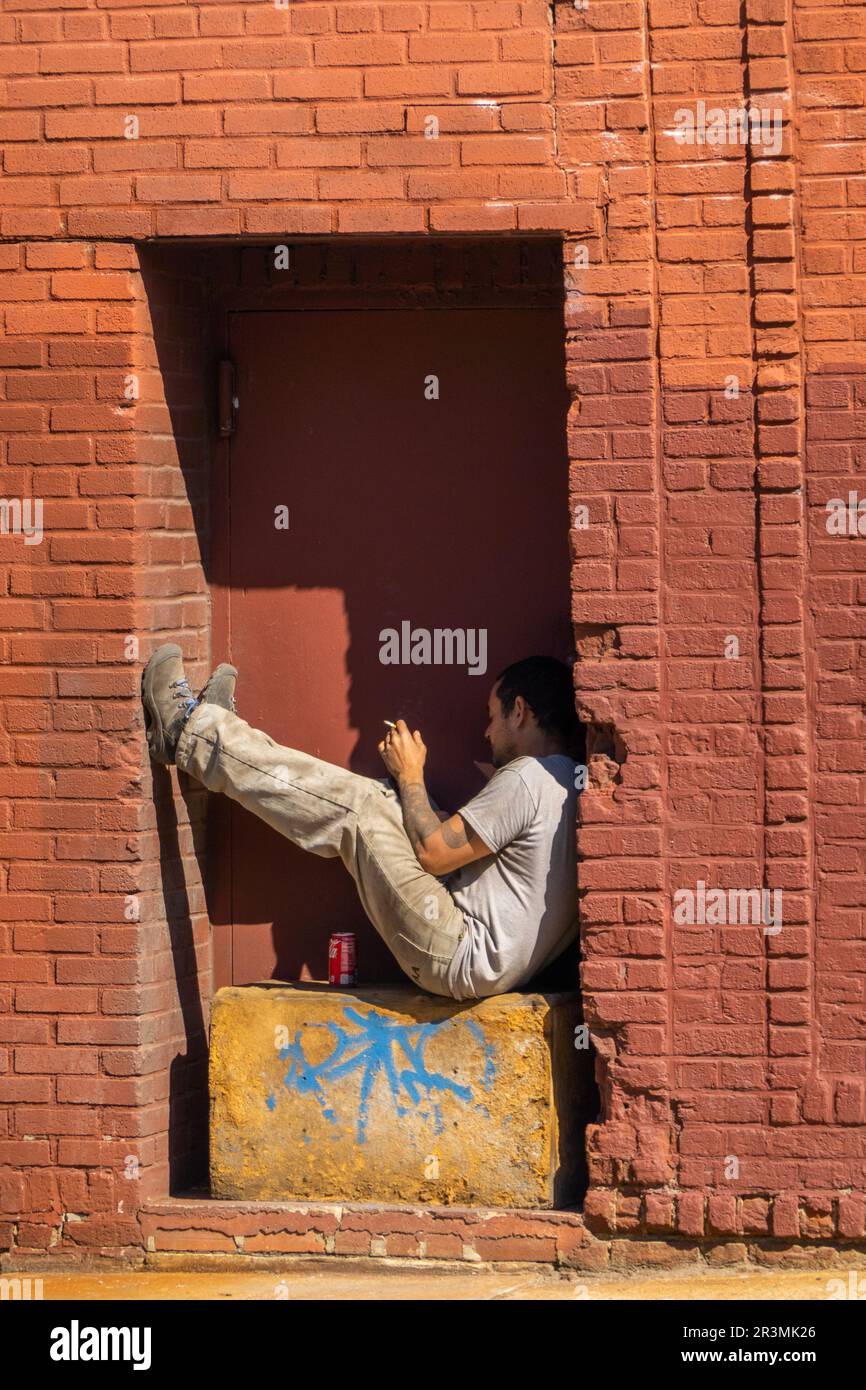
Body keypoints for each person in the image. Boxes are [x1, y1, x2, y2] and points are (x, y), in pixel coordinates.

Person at [141, 646, 583, 1000]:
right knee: (385, 800)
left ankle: (187, 734)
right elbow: (453, 840)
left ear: (520, 711)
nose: (487, 733)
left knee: (359, 809)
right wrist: (408, 789)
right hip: (476, 956)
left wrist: (412, 776)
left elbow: (435, 853)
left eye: (492, 716)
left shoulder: (529, 777)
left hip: (456, 952)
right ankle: (225, 731)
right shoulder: (567, 783)